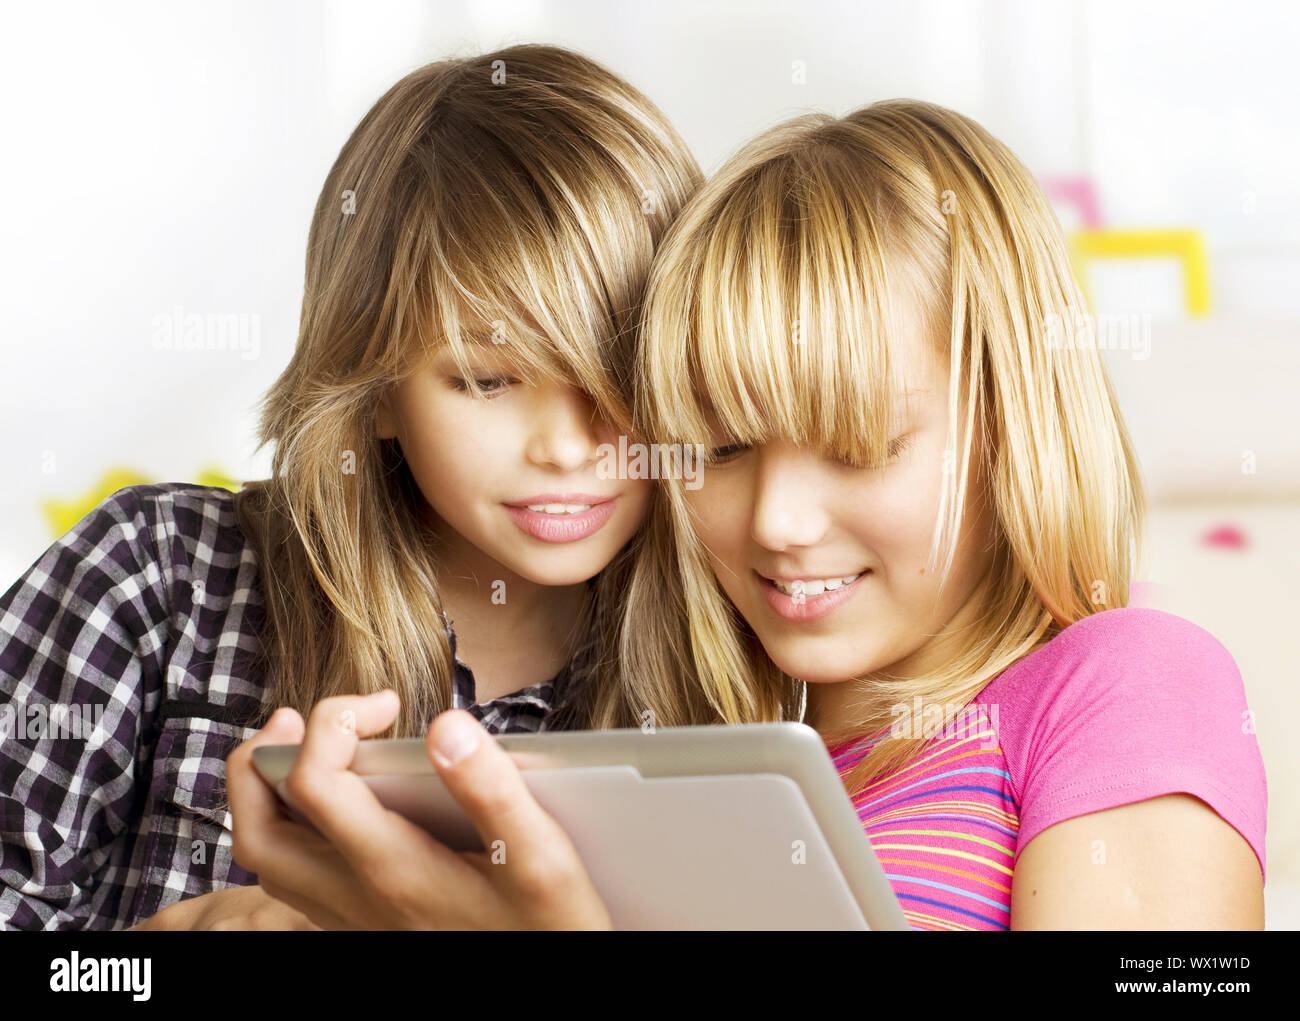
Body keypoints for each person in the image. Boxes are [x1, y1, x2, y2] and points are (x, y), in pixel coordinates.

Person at [225, 99, 1266, 930]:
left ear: (1016, 424)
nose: (777, 522)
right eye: (719, 448)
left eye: (858, 445)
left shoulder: (1130, 682)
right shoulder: (703, 766)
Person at [0, 42, 701, 930]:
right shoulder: (160, 578)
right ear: (378, 392)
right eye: (486, 379)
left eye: (620, 369)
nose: (567, 448)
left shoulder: (714, 684)